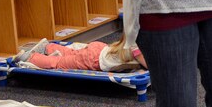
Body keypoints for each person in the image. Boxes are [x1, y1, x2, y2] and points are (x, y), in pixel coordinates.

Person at [16, 38, 146, 72]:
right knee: (58, 63)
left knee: (72, 53)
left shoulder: (132, 40)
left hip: (99, 48)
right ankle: (30, 58)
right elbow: (150, 66)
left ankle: (48, 47)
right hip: (93, 60)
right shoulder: (137, 49)